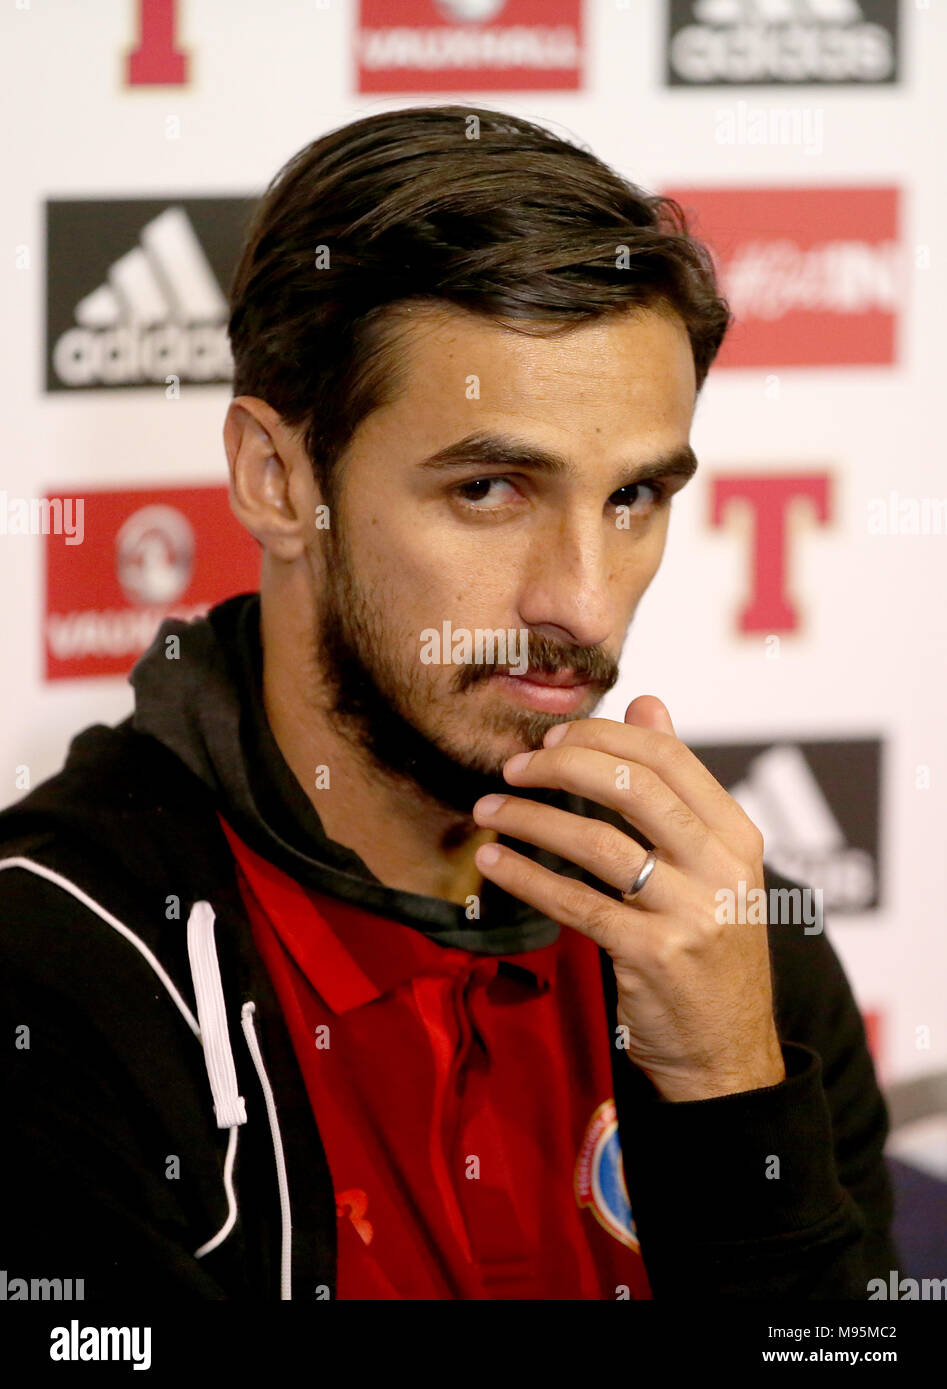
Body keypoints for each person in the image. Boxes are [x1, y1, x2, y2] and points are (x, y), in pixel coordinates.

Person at [0, 104, 896, 1300]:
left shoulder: (732, 946)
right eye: (488, 487)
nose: (581, 602)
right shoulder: (56, 971)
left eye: (632, 495)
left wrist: (733, 1100)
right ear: (278, 481)